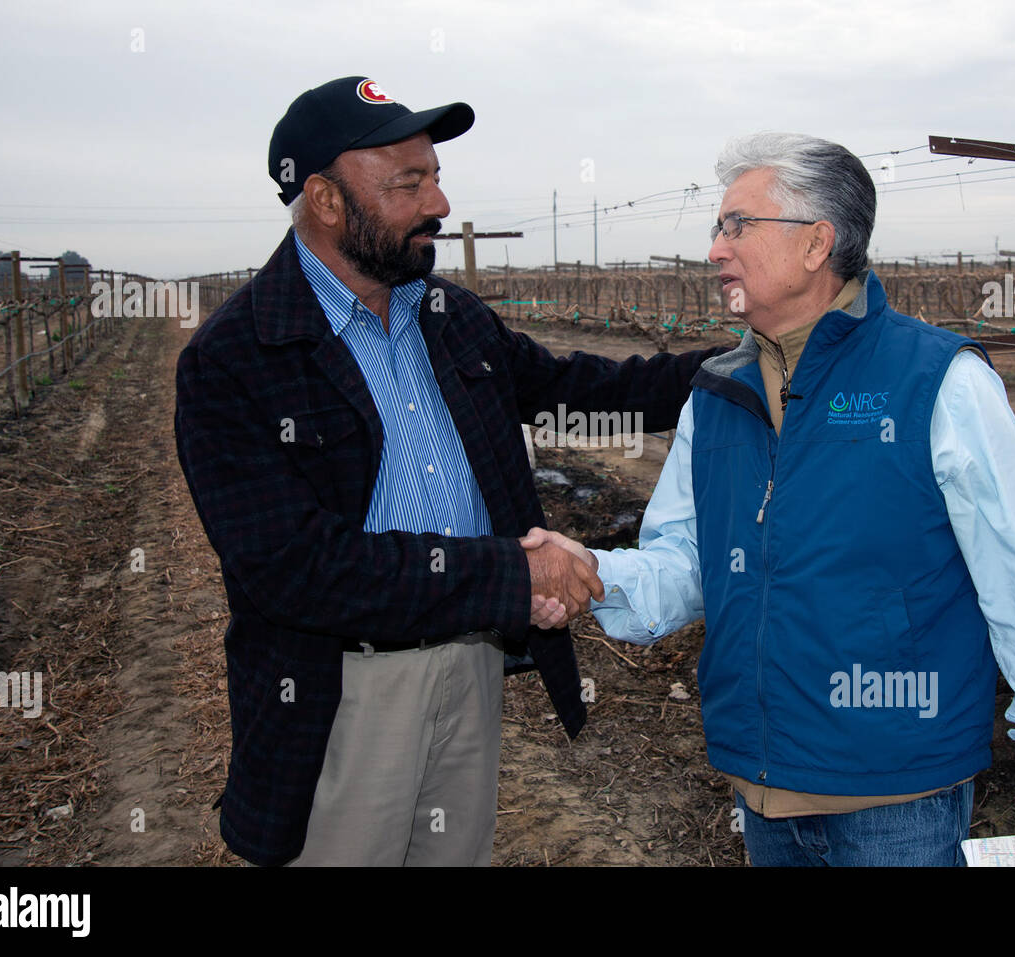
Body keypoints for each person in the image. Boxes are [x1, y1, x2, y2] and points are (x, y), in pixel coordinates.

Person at [173, 76, 726, 866]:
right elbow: (294, 567)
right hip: (341, 695)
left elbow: (580, 390)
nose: (438, 201)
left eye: (435, 175)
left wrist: (740, 365)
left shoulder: (447, 315)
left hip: (471, 666)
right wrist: (511, 570)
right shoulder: (236, 359)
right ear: (325, 201)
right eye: (410, 183)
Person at [524, 132, 1015, 867]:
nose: (714, 248)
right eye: (717, 226)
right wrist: (592, 570)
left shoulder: (940, 381)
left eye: (738, 224)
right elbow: (687, 565)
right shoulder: (716, 394)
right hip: (761, 786)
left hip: (898, 795)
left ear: (816, 243)